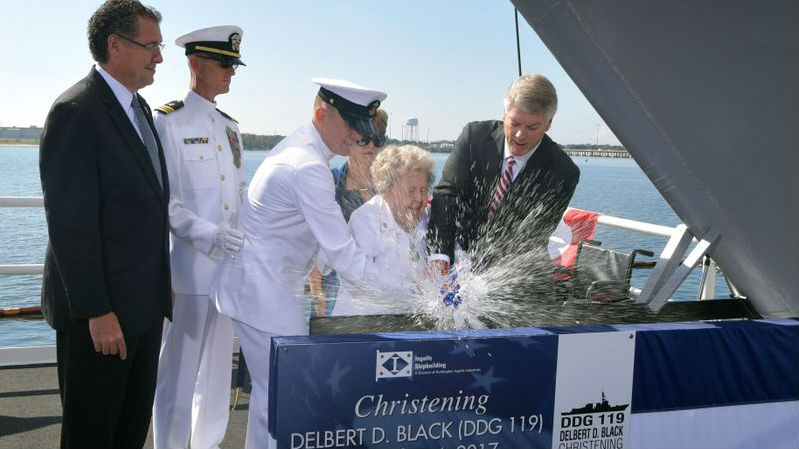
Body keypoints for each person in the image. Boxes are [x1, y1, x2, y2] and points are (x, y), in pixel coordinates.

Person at [211, 78, 401, 448]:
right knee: (284, 399)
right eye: (353, 128)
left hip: (262, 286)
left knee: (271, 398)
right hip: (263, 293)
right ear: (321, 114)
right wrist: (407, 296)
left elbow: (322, 248)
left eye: (364, 131)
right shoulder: (308, 167)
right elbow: (342, 252)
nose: (359, 140)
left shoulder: (302, 149)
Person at [38, 1, 171, 447]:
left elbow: (145, 208)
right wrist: (97, 311)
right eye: (150, 45)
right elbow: (71, 227)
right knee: (92, 434)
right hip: (102, 318)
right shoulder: (76, 111)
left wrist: (159, 282)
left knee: (130, 431)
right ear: (115, 45)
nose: (159, 57)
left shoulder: (140, 110)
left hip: (141, 308)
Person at [151, 25, 247, 449]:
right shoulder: (167, 121)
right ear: (195, 63)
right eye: (224, 63)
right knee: (178, 374)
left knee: (215, 377)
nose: (231, 72)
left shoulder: (230, 127)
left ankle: (207, 443)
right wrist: (210, 235)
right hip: (188, 274)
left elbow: (239, 195)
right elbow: (165, 202)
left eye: (233, 64)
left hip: (227, 274)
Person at [428, 74, 580, 279]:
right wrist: (440, 254)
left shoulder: (563, 172)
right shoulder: (474, 136)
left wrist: (480, 278)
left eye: (532, 127)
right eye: (514, 123)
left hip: (511, 273)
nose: (520, 135)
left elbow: (531, 235)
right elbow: (447, 195)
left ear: (549, 123)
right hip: (454, 256)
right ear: (504, 113)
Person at [331, 144, 435, 316]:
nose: (419, 198)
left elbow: (455, 260)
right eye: (411, 191)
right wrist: (419, 295)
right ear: (387, 191)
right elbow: (363, 283)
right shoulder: (365, 220)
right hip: (362, 330)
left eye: (423, 190)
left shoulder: (431, 218)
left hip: (410, 327)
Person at [308, 108, 388, 316]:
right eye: (364, 139)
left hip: (385, 294)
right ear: (350, 140)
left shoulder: (395, 189)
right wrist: (317, 290)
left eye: (378, 139)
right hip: (336, 295)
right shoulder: (329, 183)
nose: (371, 145)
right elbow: (311, 246)